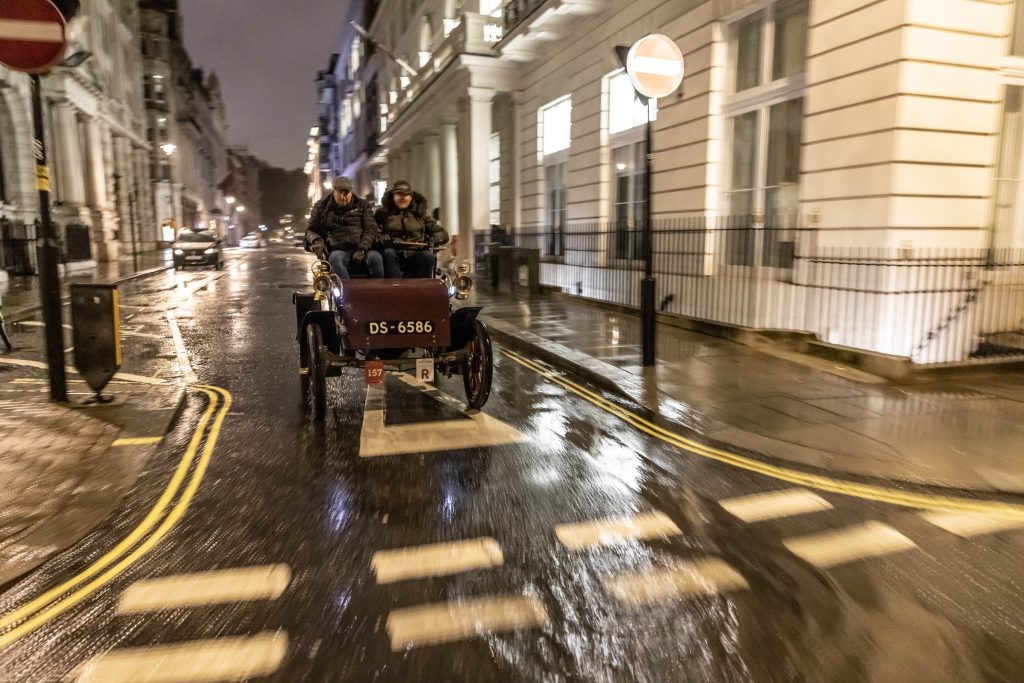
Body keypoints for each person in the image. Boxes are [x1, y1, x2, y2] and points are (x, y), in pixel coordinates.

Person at [304, 176, 383, 279]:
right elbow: (310, 230)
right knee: (336, 259)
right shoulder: (321, 207)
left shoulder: (362, 205)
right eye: (339, 192)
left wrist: (362, 249)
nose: (343, 197)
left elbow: (370, 229)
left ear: (351, 192)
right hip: (338, 249)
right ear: (333, 192)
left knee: (376, 258)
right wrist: (317, 240)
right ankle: (347, 292)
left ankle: (378, 291)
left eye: (346, 193)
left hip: (363, 248)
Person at [374, 180, 449, 278]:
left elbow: (442, 233)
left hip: (417, 252)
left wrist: (434, 238)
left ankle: (422, 289)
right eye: (399, 194)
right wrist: (382, 239)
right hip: (394, 251)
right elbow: (375, 234)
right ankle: (395, 288)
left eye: (406, 195)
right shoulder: (382, 214)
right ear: (393, 196)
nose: (403, 198)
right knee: (388, 253)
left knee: (427, 256)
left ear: (411, 196)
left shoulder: (421, 213)